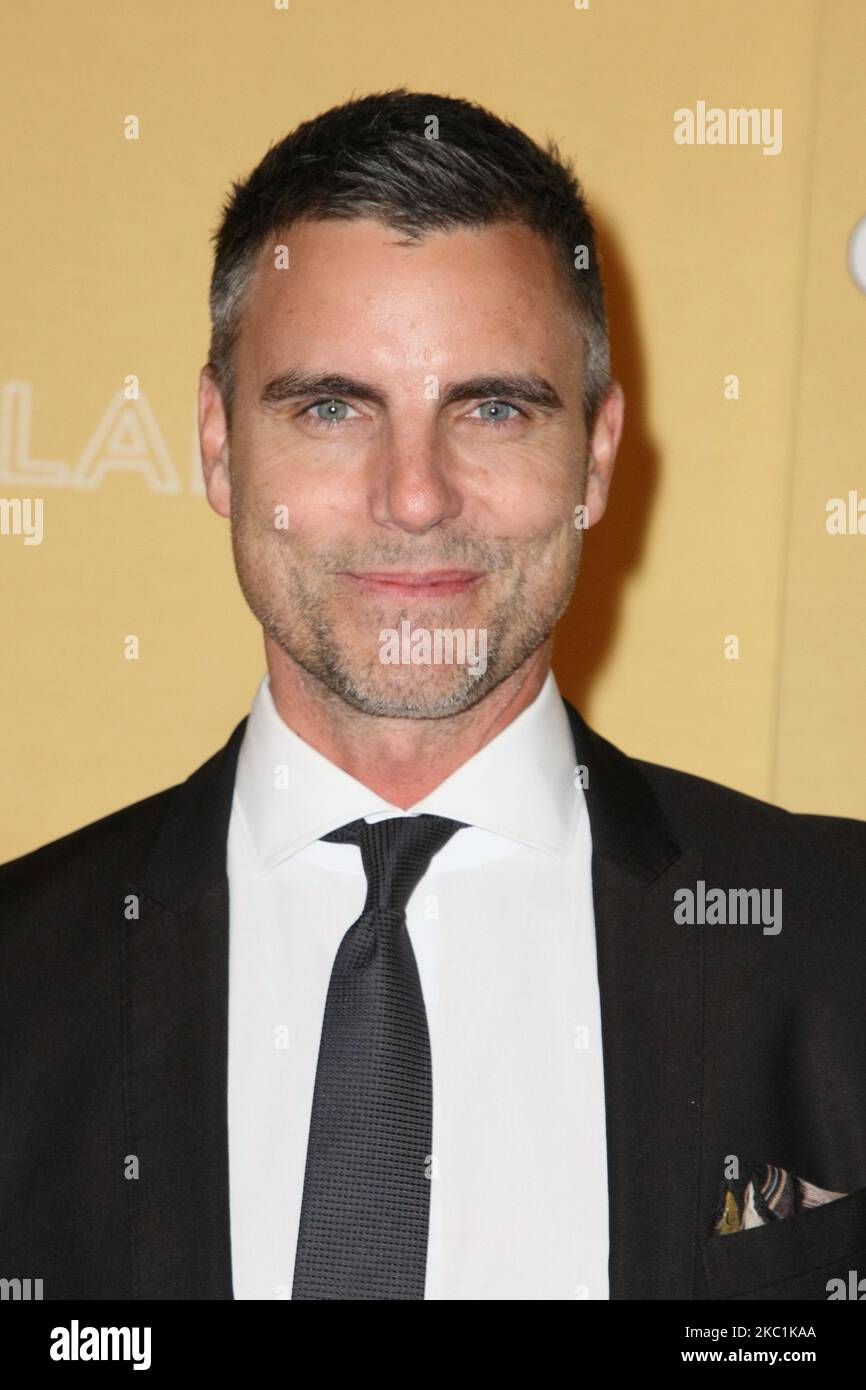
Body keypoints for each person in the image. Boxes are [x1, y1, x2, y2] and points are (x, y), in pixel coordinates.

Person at [1, 88, 864, 1302]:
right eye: (332, 407)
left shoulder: (835, 947)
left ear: (596, 457)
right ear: (214, 441)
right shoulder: (23, 977)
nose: (414, 498)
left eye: (494, 408)